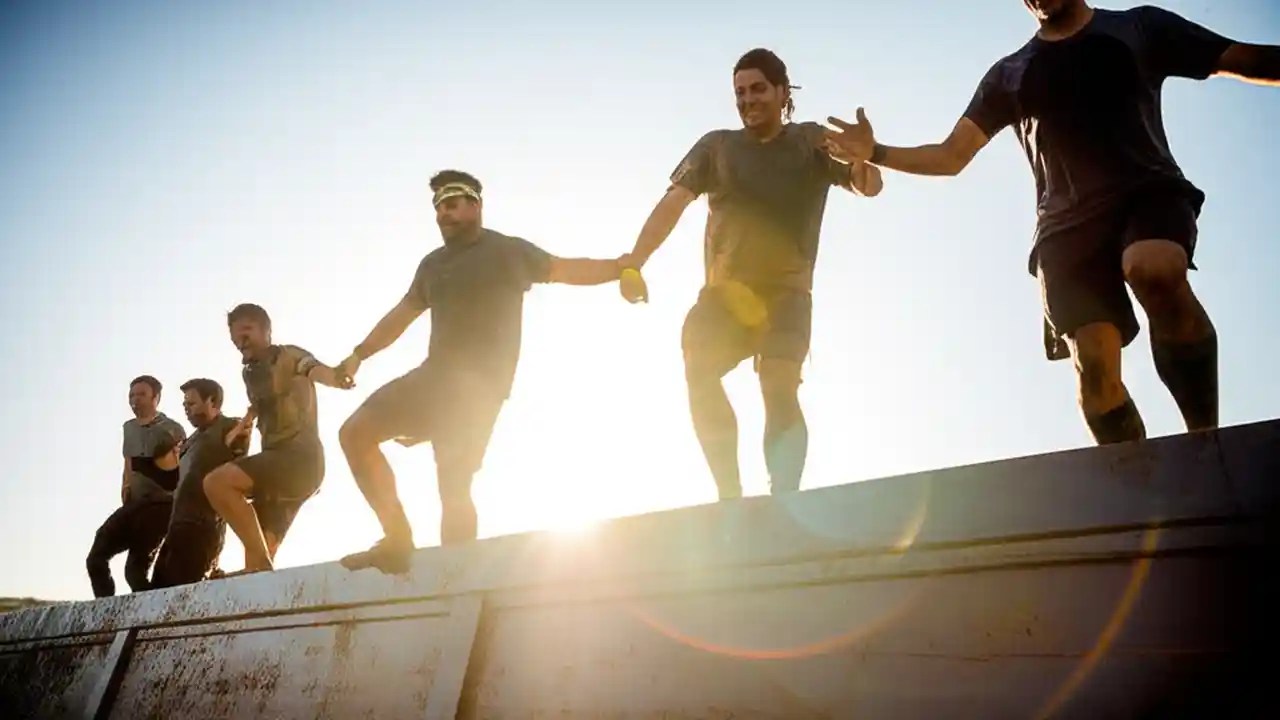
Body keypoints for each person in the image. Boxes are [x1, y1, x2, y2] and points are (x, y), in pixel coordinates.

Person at [823, 1, 1279, 445]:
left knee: (1153, 267)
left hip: (1145, 192)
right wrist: (877, 152)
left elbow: (1237, 56)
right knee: (1096, 374)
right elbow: (951, 155)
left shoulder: (1139, 28)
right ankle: (1144, 491)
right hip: (1066, 228)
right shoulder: (1010, 74)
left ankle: (1205, 442)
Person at [617, 48, 882, 501]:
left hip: (787, 293)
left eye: (758, 89)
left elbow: (867, 185)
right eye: (739, 92)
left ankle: (785, 497)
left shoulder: (810, 141)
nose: (747, 99)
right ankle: (729, 496)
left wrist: (862, 157)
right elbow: (674, 201)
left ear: (782, 92)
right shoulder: (717, 147)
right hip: (725, 296)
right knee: (698, 370)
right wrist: (634, 260)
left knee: (777, 388)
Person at [335, 169, 629, 574]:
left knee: (452, 485)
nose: (443, 214)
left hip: (479, 389)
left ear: (476, 205)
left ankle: (457, 574)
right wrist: (358, 355)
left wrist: (621, 267)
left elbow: (566, 269)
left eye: (452, 204)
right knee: (354, 433)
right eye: (438, 207)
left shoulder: (508, 252)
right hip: (432, 378)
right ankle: (397, 538)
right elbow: (401, 315)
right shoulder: (432, 265)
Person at [202, 304, 353, 574]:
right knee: (257, 561)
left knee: (217, 483)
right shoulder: (249, 373)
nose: (240, 340)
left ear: (266, 331)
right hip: (277, 473)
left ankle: (259, 564)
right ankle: (256, 570)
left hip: (298, 459)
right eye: (235, 337)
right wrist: (244, 425)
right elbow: (259, 405)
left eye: (246, 331)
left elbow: (314, 369)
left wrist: (337, 377)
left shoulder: (289, 355)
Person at [86, 375, 187, 597]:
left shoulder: (172, 429)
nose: (135, 399)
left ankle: (154, 616)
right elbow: (128, 462)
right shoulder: (128, 428)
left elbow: (180, 467)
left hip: (161, 506)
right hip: (134, 505)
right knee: (96, 558)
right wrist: (125, 487)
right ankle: (106, 612)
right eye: (131, 395)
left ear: (156, 397)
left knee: (134, 571)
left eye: (141, 394)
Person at [151, 378, 249, 589]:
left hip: (203, 527)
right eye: (185, 405)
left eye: (192, 403)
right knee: (156, 592)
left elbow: (240, 465)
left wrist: (245, 425)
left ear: (212, 401)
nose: (186, 409)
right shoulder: (189, 441)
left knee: (185, 593)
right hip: (175, 527)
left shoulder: (231, 426)